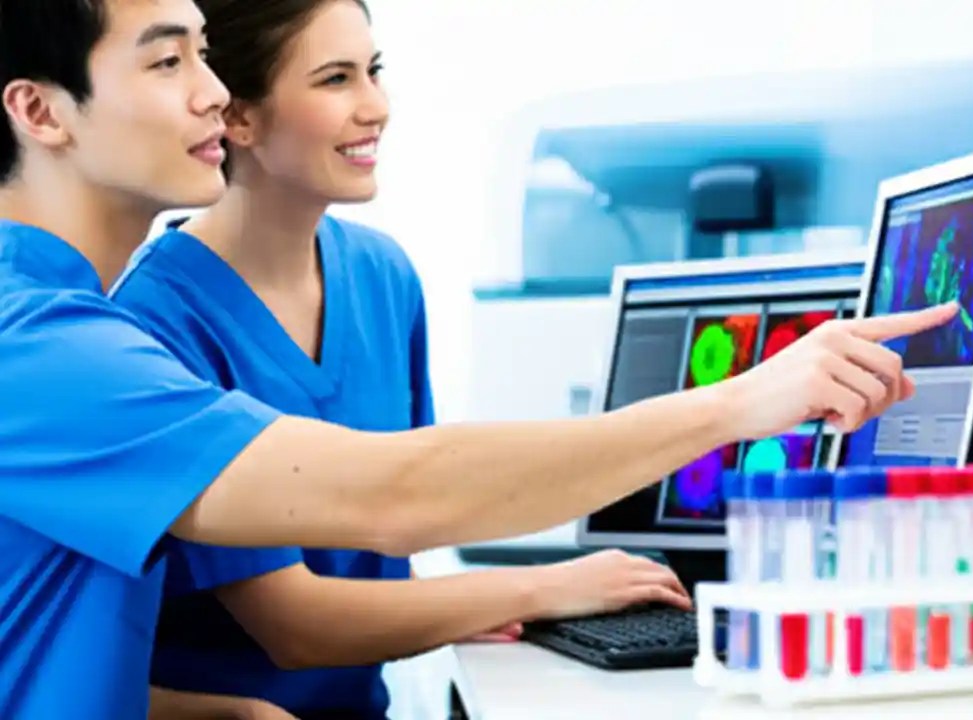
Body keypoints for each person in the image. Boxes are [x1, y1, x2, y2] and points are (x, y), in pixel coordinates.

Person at [0, 0, 955, 717]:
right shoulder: (43, 346)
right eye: (169, 62)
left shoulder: (79, 320)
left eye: (204, 53)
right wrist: (744, 400)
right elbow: (390, 497)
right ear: (41, 113)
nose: (213, 92)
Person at [108, 1, 706, 716]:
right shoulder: (157, 318)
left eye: (374, 71)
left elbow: (420, 508)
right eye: (335, 80)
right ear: (237, 118)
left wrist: (469, 602)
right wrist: (545, 587)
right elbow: (293, 625)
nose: (377, 107)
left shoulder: (381, 275)